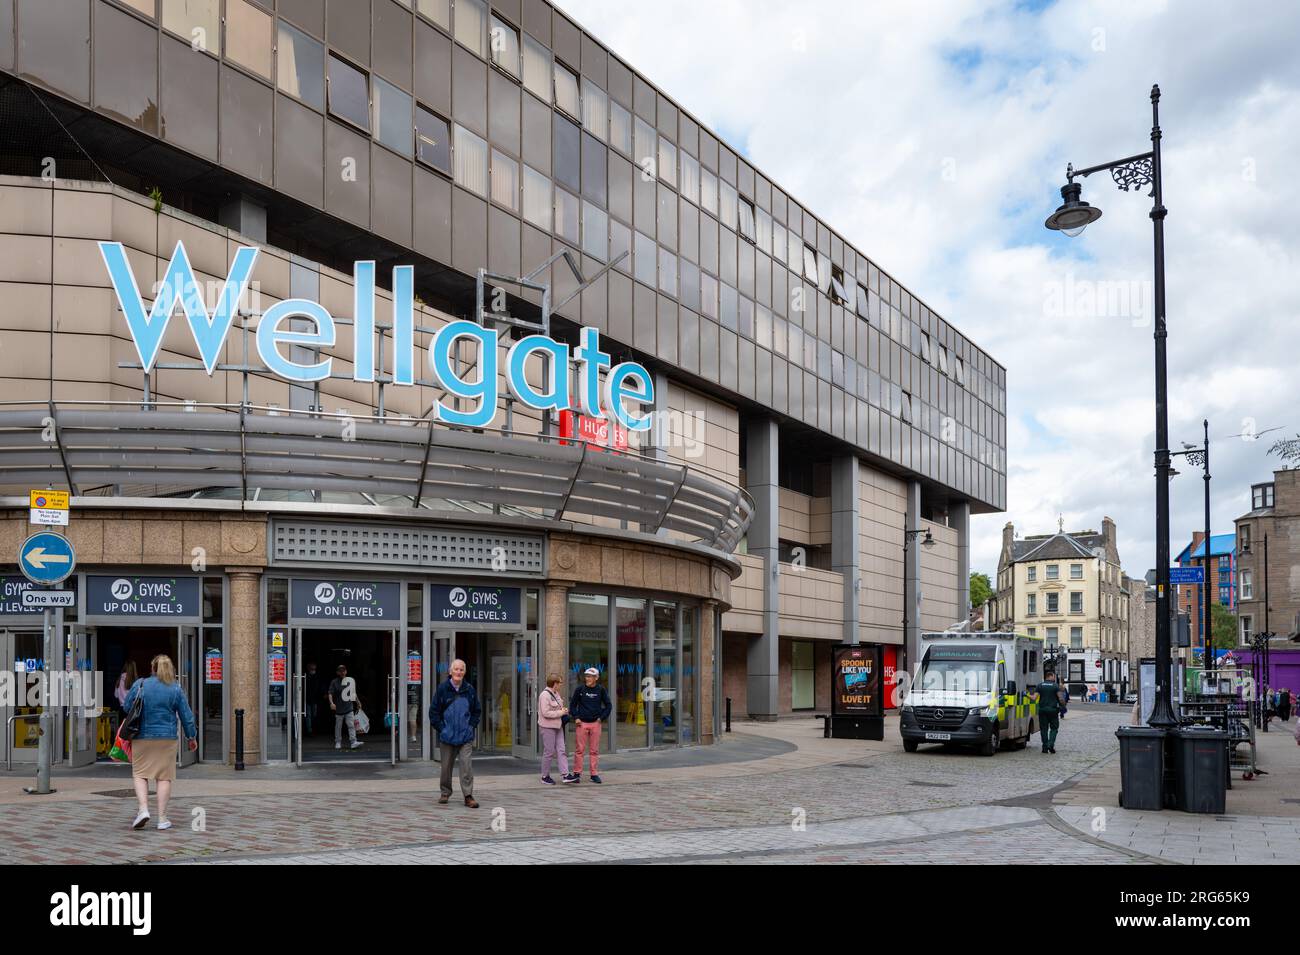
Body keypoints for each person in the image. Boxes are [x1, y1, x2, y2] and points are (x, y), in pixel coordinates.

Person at [123, 654, 197, 831]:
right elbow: (186, 716)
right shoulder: (175, 689)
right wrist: (191, 736)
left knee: (140, 773)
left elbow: (127, 707)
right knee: (164, 777)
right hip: (167, 738)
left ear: (152, 668)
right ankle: (162, 819)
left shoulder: (140, 684)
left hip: (142, 736)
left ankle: (143, 810)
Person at [430, 659, 480, 807]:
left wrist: (471, 727)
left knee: (466, 767)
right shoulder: (442, 689)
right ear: (450, 671)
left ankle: (468, 796)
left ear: (464, 672)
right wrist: (442, 729)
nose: (458, 672)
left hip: (465, 736)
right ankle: (445, 793)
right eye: (456, 669)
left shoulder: (469, 689)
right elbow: (434, 712)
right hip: (447, 736)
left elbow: (476, 711)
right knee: (446, 767)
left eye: (461, 670)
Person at [569, 666, 612, 783]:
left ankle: (594, 774)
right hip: (582, 724)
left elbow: (609, 705)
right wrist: (576, 717)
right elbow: (572, 705)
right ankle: (577, 774)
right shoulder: (580, 689)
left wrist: (601, 718)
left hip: (595, 724)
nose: (587, 678)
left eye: (590, 677)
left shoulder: (601, 690)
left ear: (596, 678)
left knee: (594, 750)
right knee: (579, 750)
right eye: (587, 676)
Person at [537, 675, 576, 785]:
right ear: (554, 683)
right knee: (549, 752)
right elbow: (545, 713)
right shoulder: (544, 695)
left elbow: (557, 708)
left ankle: (565, 775)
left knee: (561, 750)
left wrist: (563, 710)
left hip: (558, 726)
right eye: (560, 683)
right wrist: (561, 712)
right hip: (548, 727)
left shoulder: (556, 693)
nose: (561, 684)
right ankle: (545, 776)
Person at [328, 664, 363, 750]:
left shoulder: (350, 681)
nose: (342, 672)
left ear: (346, 671)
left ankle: (353, 742)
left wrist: (358, 702)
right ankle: (338, 742)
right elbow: (330, 693)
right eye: (340, 671)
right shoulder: (334, 682)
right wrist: (331, 703)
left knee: (351, 725)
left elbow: (353, 693)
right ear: (337, 672)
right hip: (339, 708)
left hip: (348, 707)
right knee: (338, 726)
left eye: (343, 670)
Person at [1030, 670, 1065, 754]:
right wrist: (1063, 705)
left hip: (1042, 710)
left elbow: (1034, 698)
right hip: (1053, 711)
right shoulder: (1055, 686)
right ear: (1051, 676)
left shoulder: (1040, 685)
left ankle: (1044, 747)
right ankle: (1051, 744)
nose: (1054, 678)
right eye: (1053, 676)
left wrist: (1026, 695)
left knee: (1044, 729)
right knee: (1054, 728)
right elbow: (1060, 698)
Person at [303, 662, 321, 737]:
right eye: (312, 669)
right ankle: (309, 731)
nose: (313, 670)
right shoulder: (305, 677)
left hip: (315, 699)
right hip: (307, 699)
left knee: (314, 715)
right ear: (308, 669)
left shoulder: (317, 677)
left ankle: (313, 729)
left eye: (314, 669)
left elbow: (318, 688)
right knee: (309, 715)